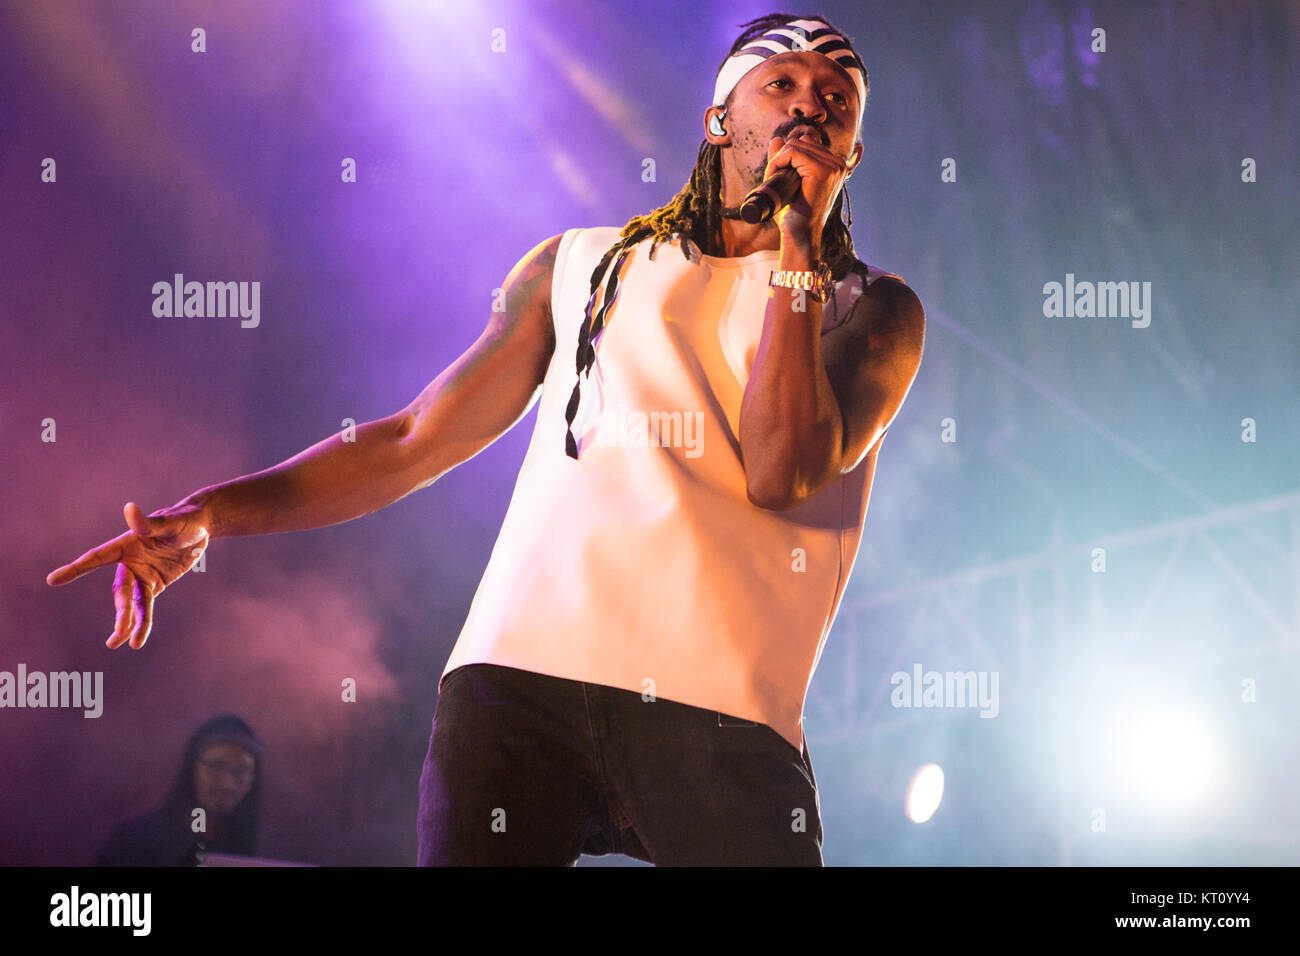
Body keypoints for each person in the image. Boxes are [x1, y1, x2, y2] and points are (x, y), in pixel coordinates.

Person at [49, 12, 924, 866]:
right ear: (720, 118)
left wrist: (796, 251)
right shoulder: (582, 263)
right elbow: (408, 440)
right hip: (520, 684)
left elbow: (781, 471)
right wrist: (208, 516)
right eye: (781, 84)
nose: (809, 104)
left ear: (851, 153)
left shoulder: (872, 309)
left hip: (727, 709)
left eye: (836, 99)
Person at [94, 713, 264, 866]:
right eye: (217, 767)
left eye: (241, 771)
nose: (228, 783)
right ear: (191, 769)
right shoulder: (134, 842)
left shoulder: (259, 849)